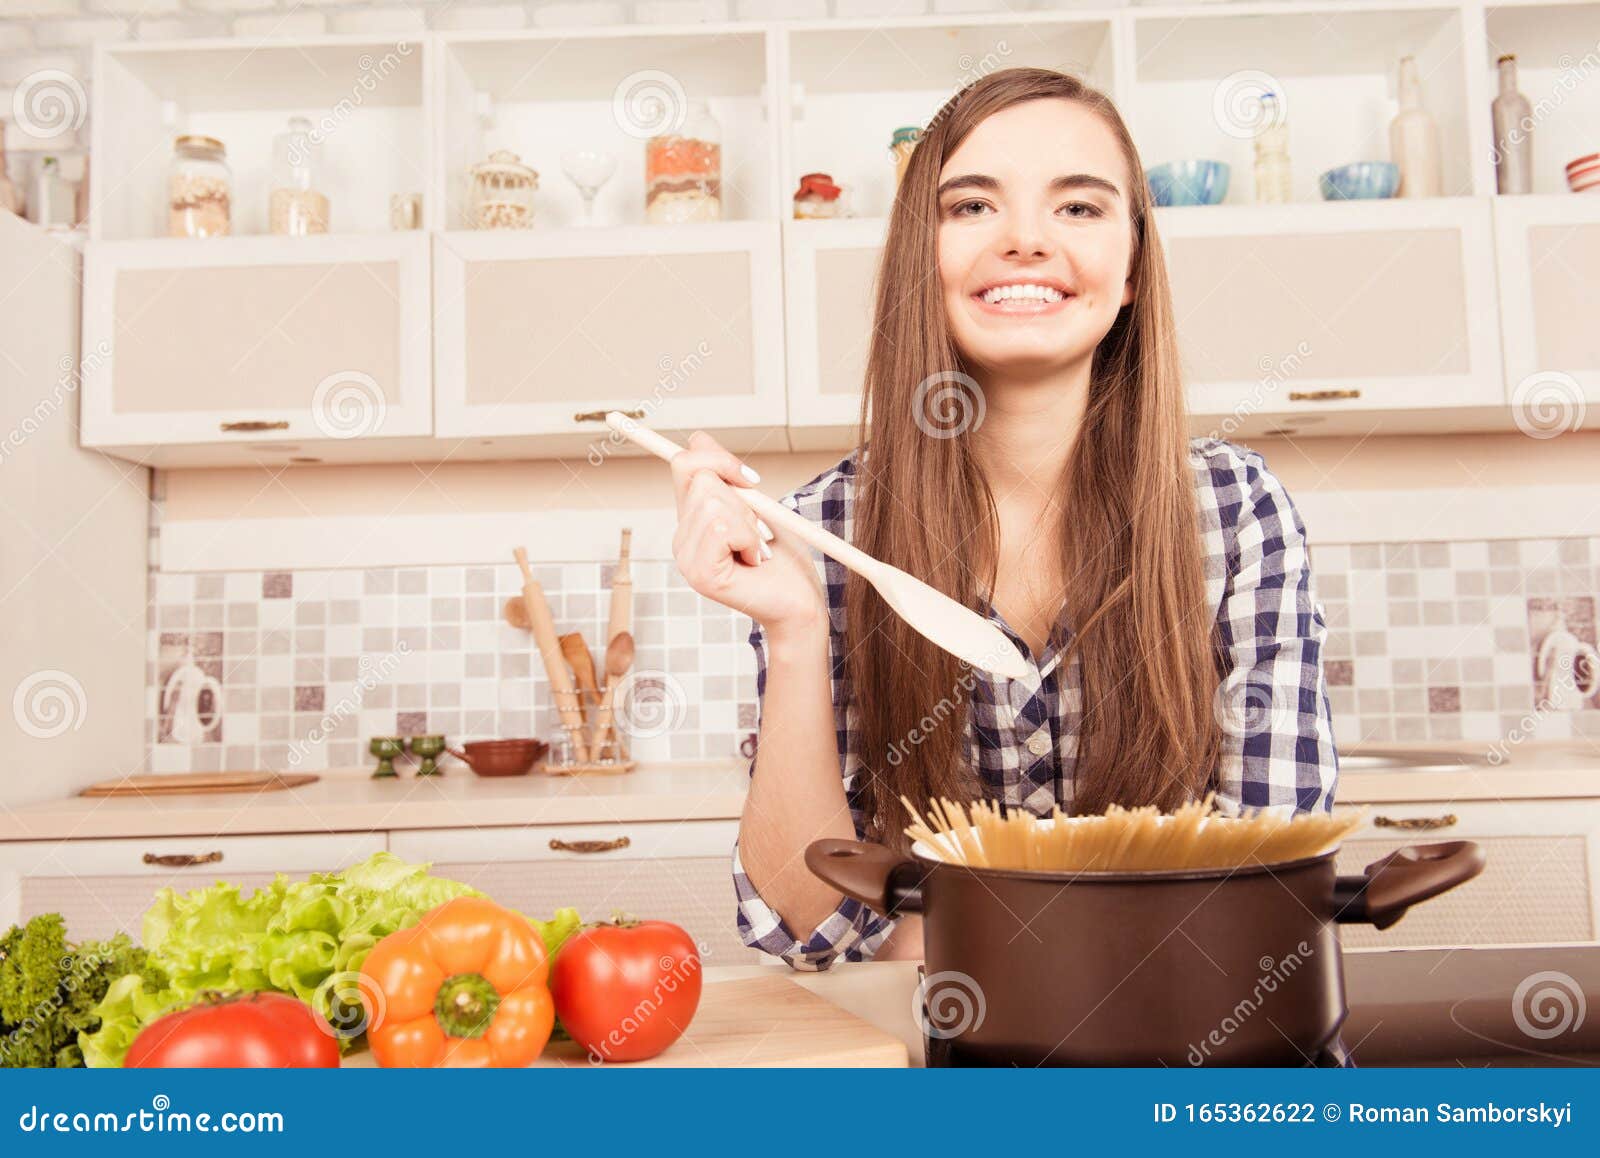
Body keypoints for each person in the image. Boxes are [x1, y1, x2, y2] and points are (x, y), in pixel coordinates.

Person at [663, 68, 1339, 976]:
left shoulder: (1234, 512)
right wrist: (791, 630)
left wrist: (941, 934)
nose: (1025, 241)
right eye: (973, 206)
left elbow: (1265, 889)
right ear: (920, 255)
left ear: (1133, 266)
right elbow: (808, 927)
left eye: (1079, 208)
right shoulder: (825, 529)